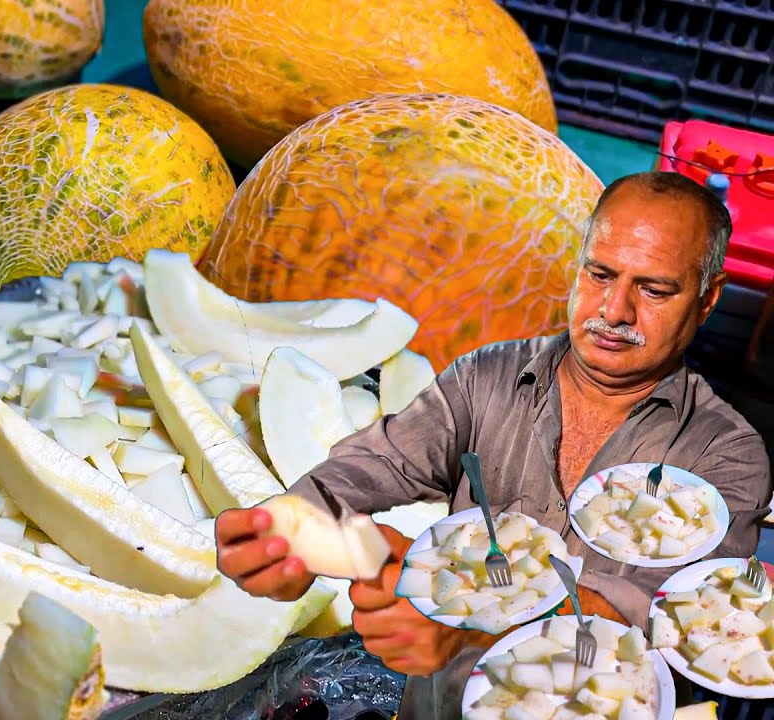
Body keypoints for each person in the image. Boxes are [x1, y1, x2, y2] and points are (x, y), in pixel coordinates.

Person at [215, 171, 773, 719]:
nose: (614, 310)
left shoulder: (729, 454)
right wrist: (287, 528)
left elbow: (667, 614)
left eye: (653, 289)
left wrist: (472, 618)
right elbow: (374, 463)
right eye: (600, 274)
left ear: (706, 300)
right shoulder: (487, 377)